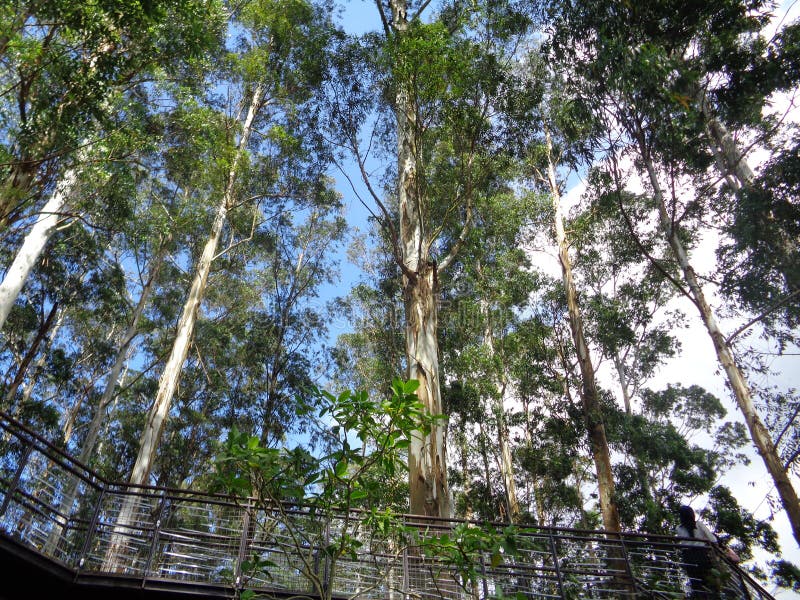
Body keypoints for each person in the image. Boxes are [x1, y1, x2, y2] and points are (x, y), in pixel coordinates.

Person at [676, 505, 721, 599]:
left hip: (688, 557)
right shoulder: (699, 525)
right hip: (701, 555)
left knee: (695, 582)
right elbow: (713, 540)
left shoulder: (679, 528)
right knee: (708, 580)